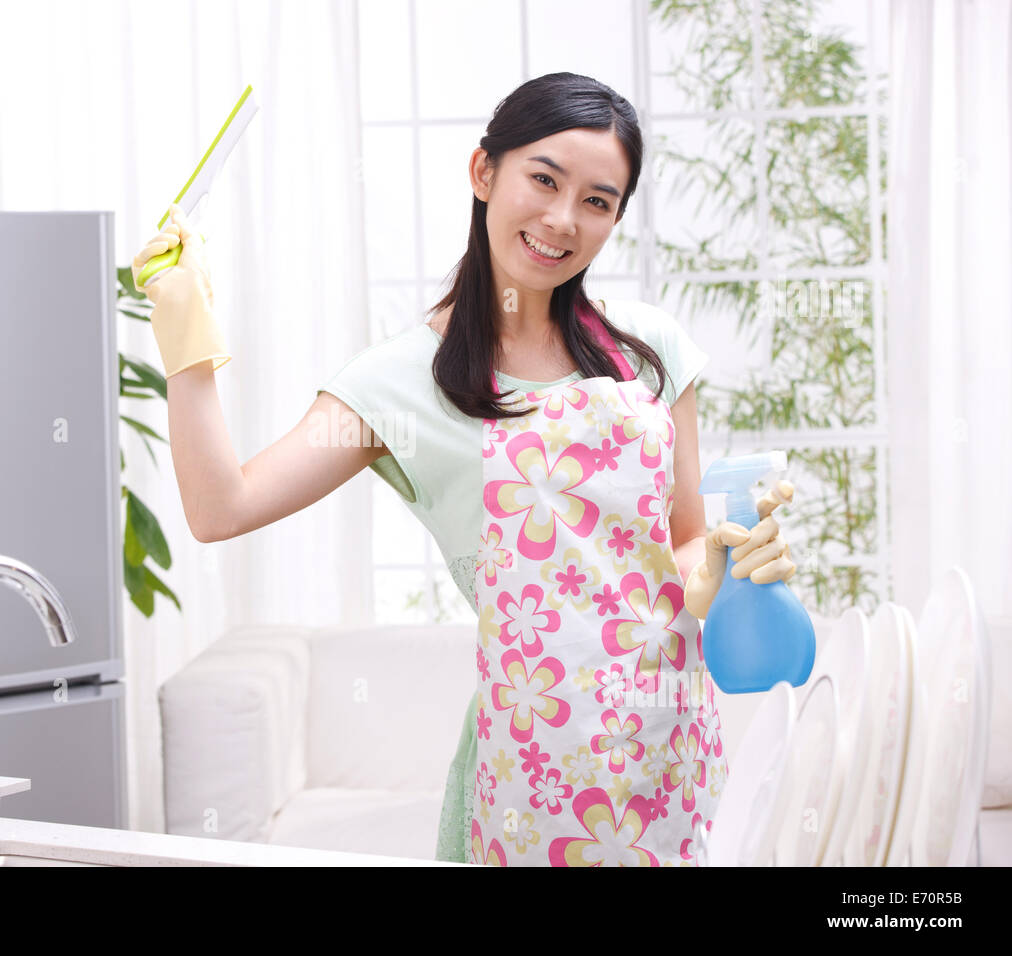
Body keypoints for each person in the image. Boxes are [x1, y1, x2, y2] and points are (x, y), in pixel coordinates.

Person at [132, 72, 797, 866]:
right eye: (543, 180)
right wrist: (187, 346)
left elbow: (683, 543)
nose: (561, 220)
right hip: (528, 778)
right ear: (484, 173)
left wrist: (720, 573)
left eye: (597, 200)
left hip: (670, 757)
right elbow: (222, 508)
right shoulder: (400, 384)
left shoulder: (651, 350)